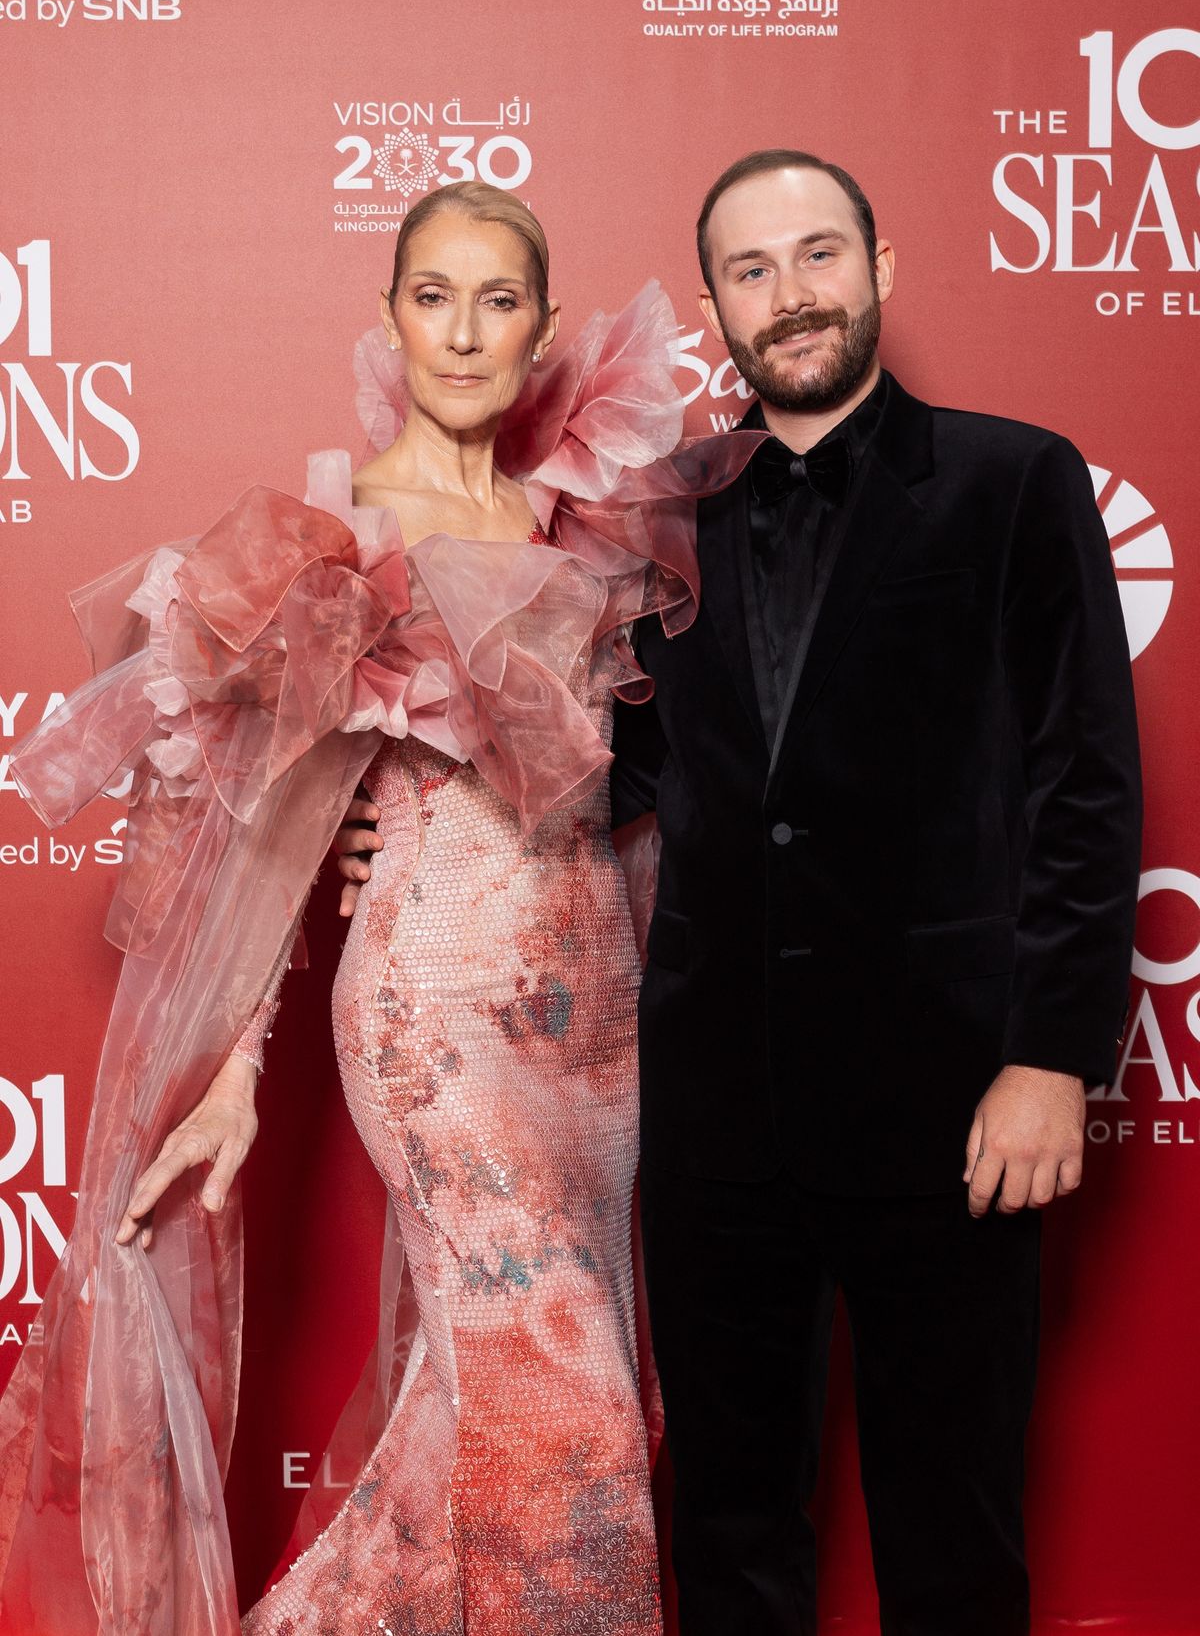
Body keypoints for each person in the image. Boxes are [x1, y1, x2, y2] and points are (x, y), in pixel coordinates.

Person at [339, 149, 1143, 1636]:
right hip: (711, 1109)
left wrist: (1050, 1059)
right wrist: (396, 822)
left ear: (880, 269)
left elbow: (1085, 788)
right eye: (753, 271)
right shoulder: (652, 511)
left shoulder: (1014, 479)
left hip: (951, 1100)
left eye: (819, 257)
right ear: (713, 304)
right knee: (728, 1528)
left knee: (951, 1524)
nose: (792, 295)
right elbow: (604, 768)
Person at [0, 182, 742, 1636]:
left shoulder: (579, 512)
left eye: (498, 301)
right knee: (561, 1402)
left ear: (540, 333)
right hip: (432, 1013)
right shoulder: (335, 543)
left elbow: (647, 774)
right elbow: (256, 819)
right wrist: (237, 1070)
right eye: (433, 298)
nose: (463, 333)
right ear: (391, 322)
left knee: (486, 1411)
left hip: (595, 1018)